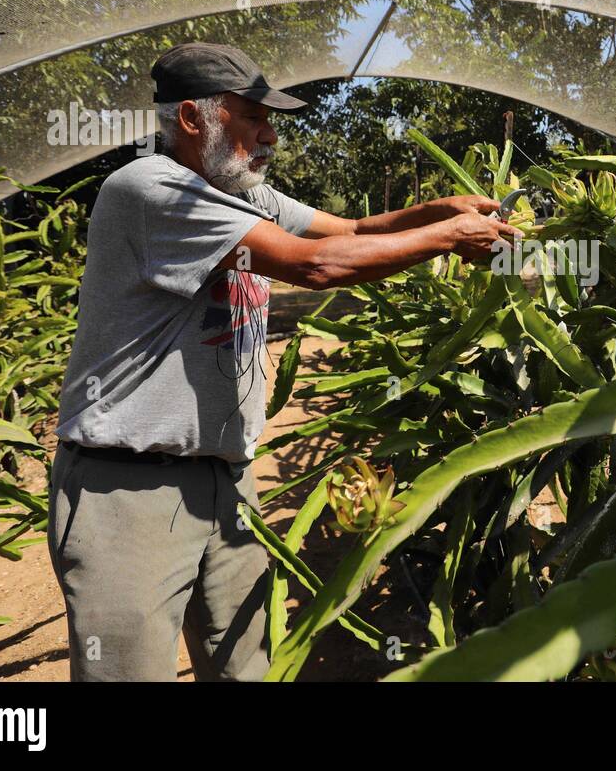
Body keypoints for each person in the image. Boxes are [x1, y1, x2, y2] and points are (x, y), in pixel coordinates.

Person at [46, 42, 520, 681]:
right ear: (193, 119)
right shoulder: (150, 189)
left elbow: (349, 232)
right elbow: (315, 265)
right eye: (253, 118)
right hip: (130, 488)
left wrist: (441, 212)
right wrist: (450, 238)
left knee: (245, 668)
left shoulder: (245, 195)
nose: (270, 135)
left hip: (226, 479)